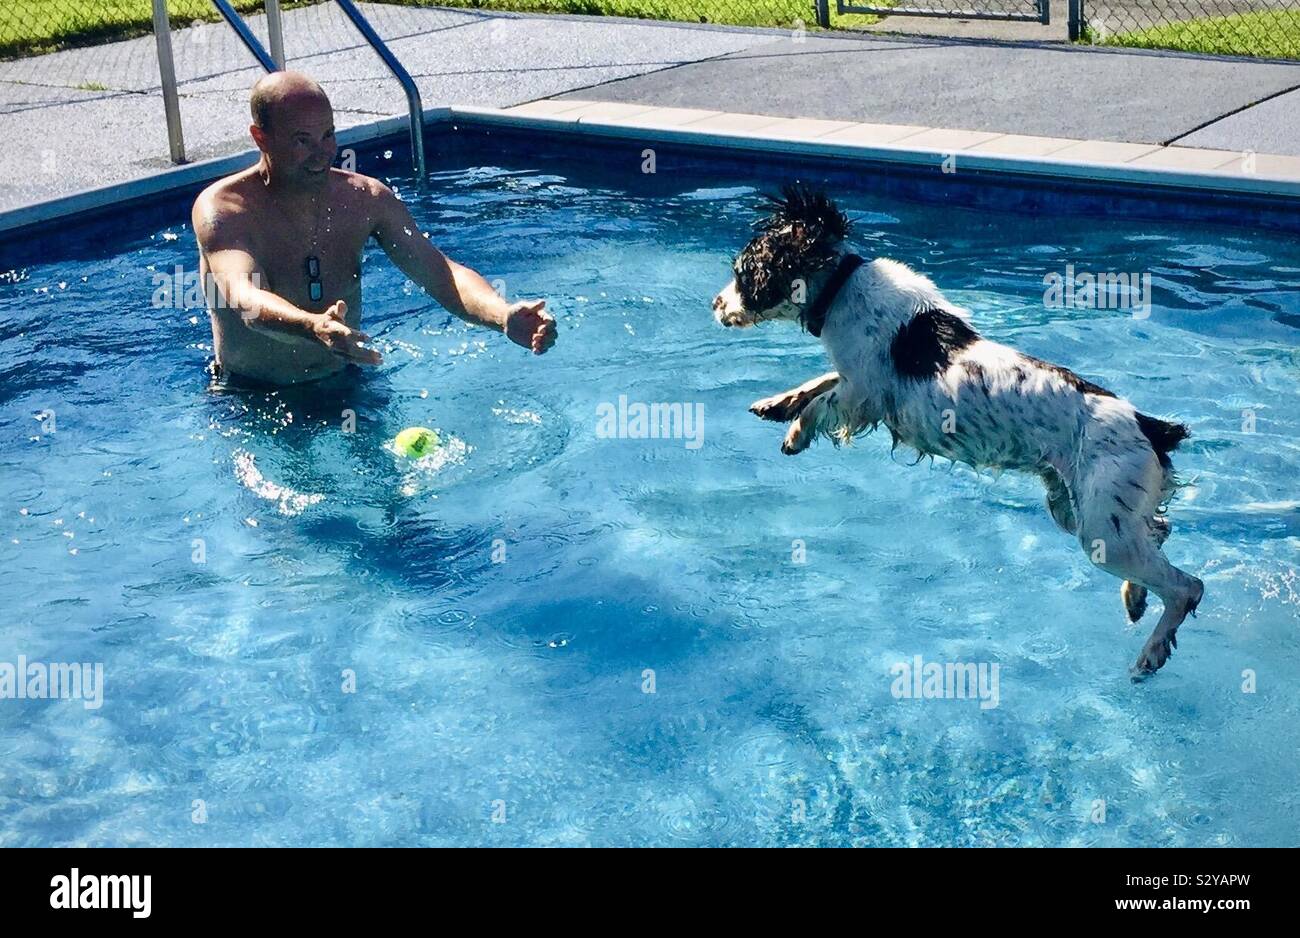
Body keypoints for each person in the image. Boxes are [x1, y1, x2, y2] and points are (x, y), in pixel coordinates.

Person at [192, 71, 556, 386]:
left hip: (347, 382)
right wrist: (311, 326)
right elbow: (244, 298)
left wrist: (501, 314)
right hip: (253, 397)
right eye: (302, 140)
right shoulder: (224, 209)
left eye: (328, 135)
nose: (322, 153)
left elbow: (441, 273)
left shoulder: (365, 198)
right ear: (261, 138)